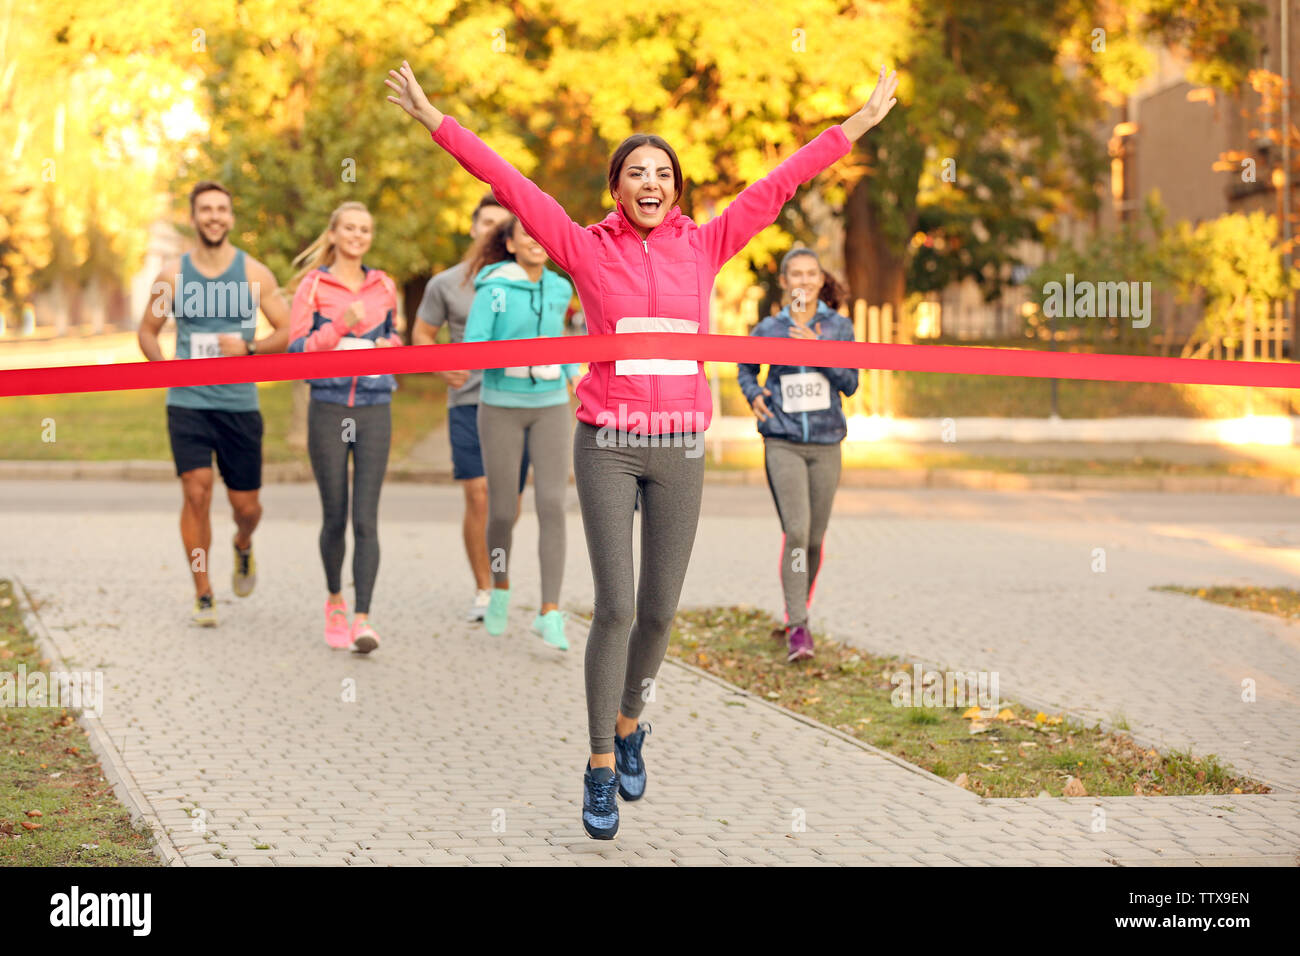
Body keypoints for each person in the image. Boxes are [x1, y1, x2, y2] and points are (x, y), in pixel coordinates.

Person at [387, 59, 900, 840]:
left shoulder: (708, 243)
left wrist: (855, 126)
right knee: (618, 606)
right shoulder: (587, 249)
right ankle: (598, 766)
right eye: (636, 173)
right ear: (617, 189)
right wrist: (435, 121)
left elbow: (782, 181)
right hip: (608, 443)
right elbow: (513, 183)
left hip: (679, 448)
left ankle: (631, 723)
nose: (650, 182)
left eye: (662, 172)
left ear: (678, 188)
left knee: (660, 612)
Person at [138, 181, 290, 627]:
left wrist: (251, 348)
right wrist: (164, 369)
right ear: (193, 217)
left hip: (239, 404)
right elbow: (148, 330)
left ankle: (243, 545)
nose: (214, 217)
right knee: (196, 491)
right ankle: (203, 591)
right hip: (187, 401)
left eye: (222, 209)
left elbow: (285, 330)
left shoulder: (253, 274)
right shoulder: (172, 275)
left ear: (231, 217)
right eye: (205, 209)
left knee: (247, 507)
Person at [287, 201, 401, 655]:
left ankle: (363, 619)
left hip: (375, 405)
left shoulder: (384, 285)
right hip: (331, 406)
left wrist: (385, 345)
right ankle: (335, 601)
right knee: (335, 515)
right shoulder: (314, 286)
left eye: (365, 229)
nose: (357, 235)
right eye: (349, 228)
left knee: (366, 519)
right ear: (333, 234)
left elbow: (396, 339)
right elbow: (298, 351)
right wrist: (339, 327)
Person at [462, 215, 579, 649]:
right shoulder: (493, 289)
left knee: (552, 504)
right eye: (525, 233)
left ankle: (550, 611)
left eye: (540, 232)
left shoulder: (560, 287)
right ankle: (500, 585)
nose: (535, 240)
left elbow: (563, 341)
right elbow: (475, 345)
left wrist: (573, 376)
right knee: (502, 511)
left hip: (550, 406)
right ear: (510, 244)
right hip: (501, 407)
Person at [413, 193, 532, 624]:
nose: (494, 231)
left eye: (503, 225)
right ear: (472, 227)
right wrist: (441, 366)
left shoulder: (527, 280)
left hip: (517, 403)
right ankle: (486, 588)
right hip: (467, 402)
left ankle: (495, 566)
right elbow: (422, 335)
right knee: (478, 494)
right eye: (487, 223)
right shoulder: (445, 284)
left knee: (509, 504)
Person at [737, 247, 858, 663]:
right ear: (785, 282)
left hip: (826, 441)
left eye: (812, 274)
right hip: (782, 440)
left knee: (816, 538)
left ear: (821, 281)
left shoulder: (839, 327)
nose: (804, 281)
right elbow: (745, 368)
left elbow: (851, 383)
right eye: (796, 275)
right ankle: (800, 628)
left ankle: (795, 612)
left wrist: (820, 350)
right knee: (798, 529)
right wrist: (754, 394)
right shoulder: (769, 329)